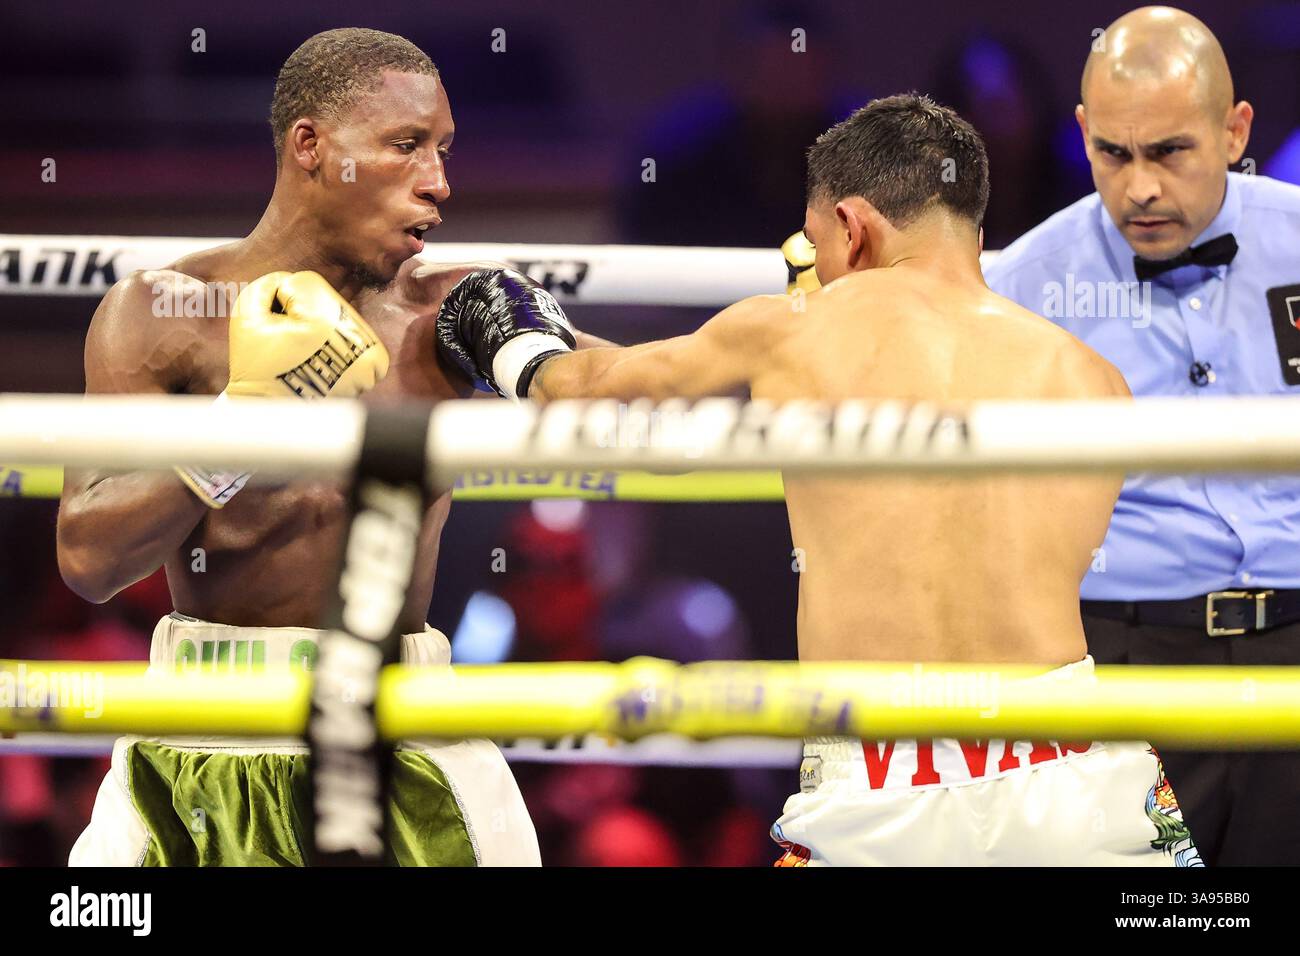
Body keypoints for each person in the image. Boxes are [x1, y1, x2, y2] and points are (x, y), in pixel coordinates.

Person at [436, 93, 1201, 866]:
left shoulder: (791, 331)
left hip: (878, 776)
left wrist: (501, 321)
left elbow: (592, 402)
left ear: (850, 225)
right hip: (1074, 768)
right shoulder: (1093, 378)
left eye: (813, 243)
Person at [57, 27, 541, 866]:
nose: (439, 182)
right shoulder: (161, 315)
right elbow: (89, 559)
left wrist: (797, 325)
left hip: (404, 732)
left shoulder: (447, 314)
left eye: (444, 149)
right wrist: (250, 421)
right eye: (407, 145)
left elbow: (607, 388)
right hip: (203, 732)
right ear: (311, 147)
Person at [984, 6, 1300, 866]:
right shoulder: (1023, 284)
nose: (1140, 188)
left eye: (1170, 152)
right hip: (1130, 659)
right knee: (1157, 921)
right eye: (1113, 154)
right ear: (1082, 133)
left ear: (1235, 132)